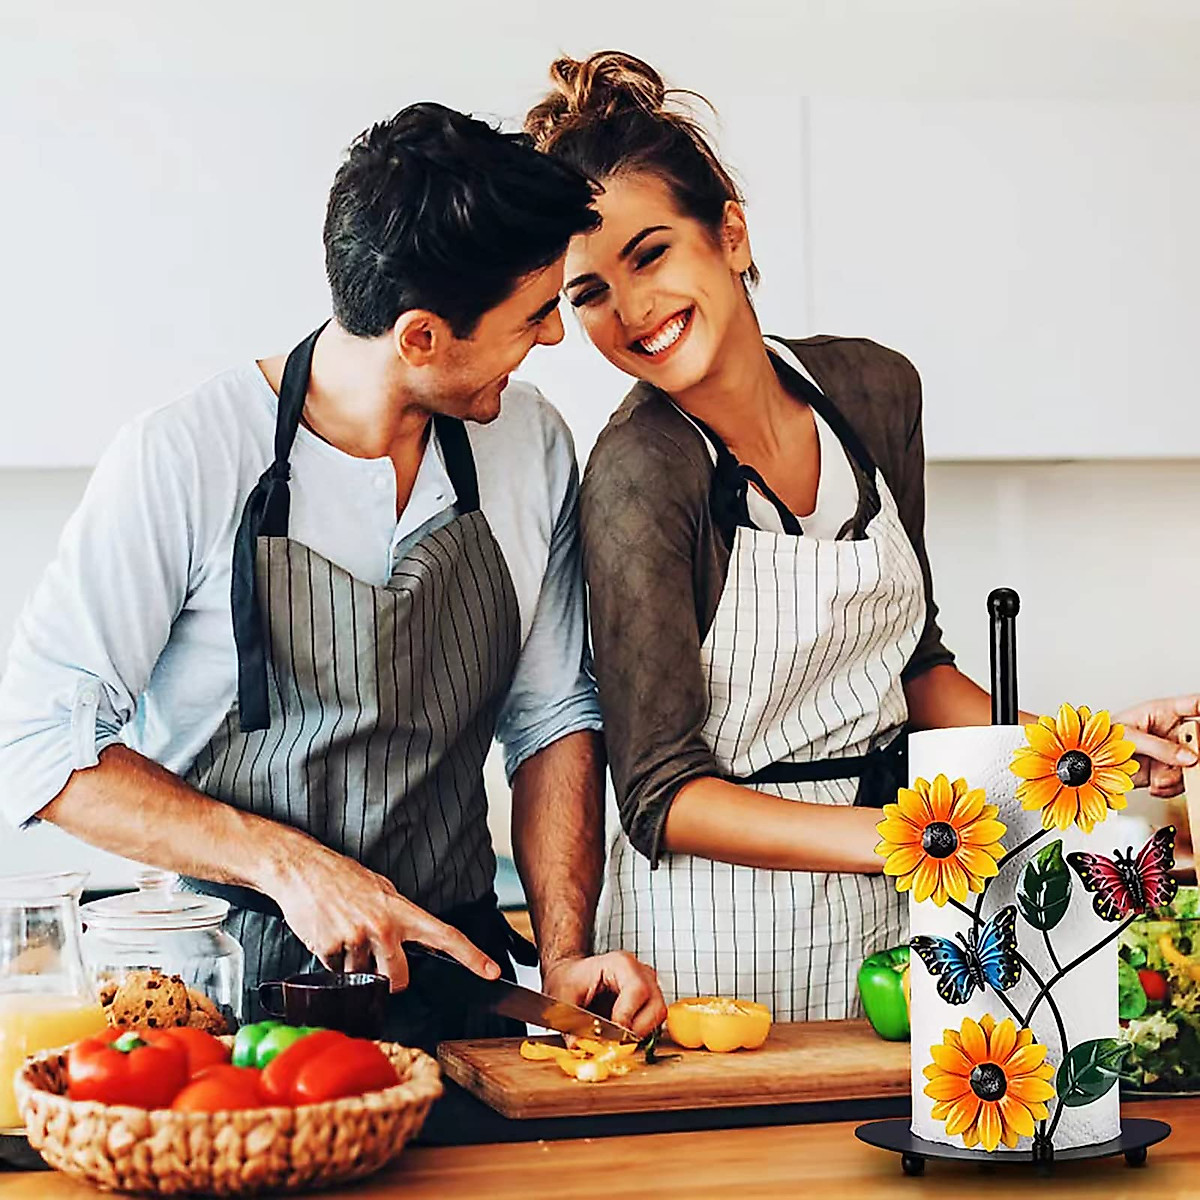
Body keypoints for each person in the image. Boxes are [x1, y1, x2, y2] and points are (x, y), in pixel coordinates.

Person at [525, 51, 1200, 1021]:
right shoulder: (641, 472)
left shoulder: (874, 391)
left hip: (904, 898)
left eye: (651, 254)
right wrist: (905, 835)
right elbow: (661, 794)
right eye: (588, 293)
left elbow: (914, 667)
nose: (630, 310)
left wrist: (1081, 752)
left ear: (730, 231)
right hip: (718, 937)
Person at [0, 102, 665, 1044]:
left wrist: (562, 959)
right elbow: (36, 747)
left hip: (456, 984)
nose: (554, 339)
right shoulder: (185, 457)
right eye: (533, 316)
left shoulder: (531, 444)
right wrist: (291, 866)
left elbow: (552, 718)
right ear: (421, 337)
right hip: (227, 1005)